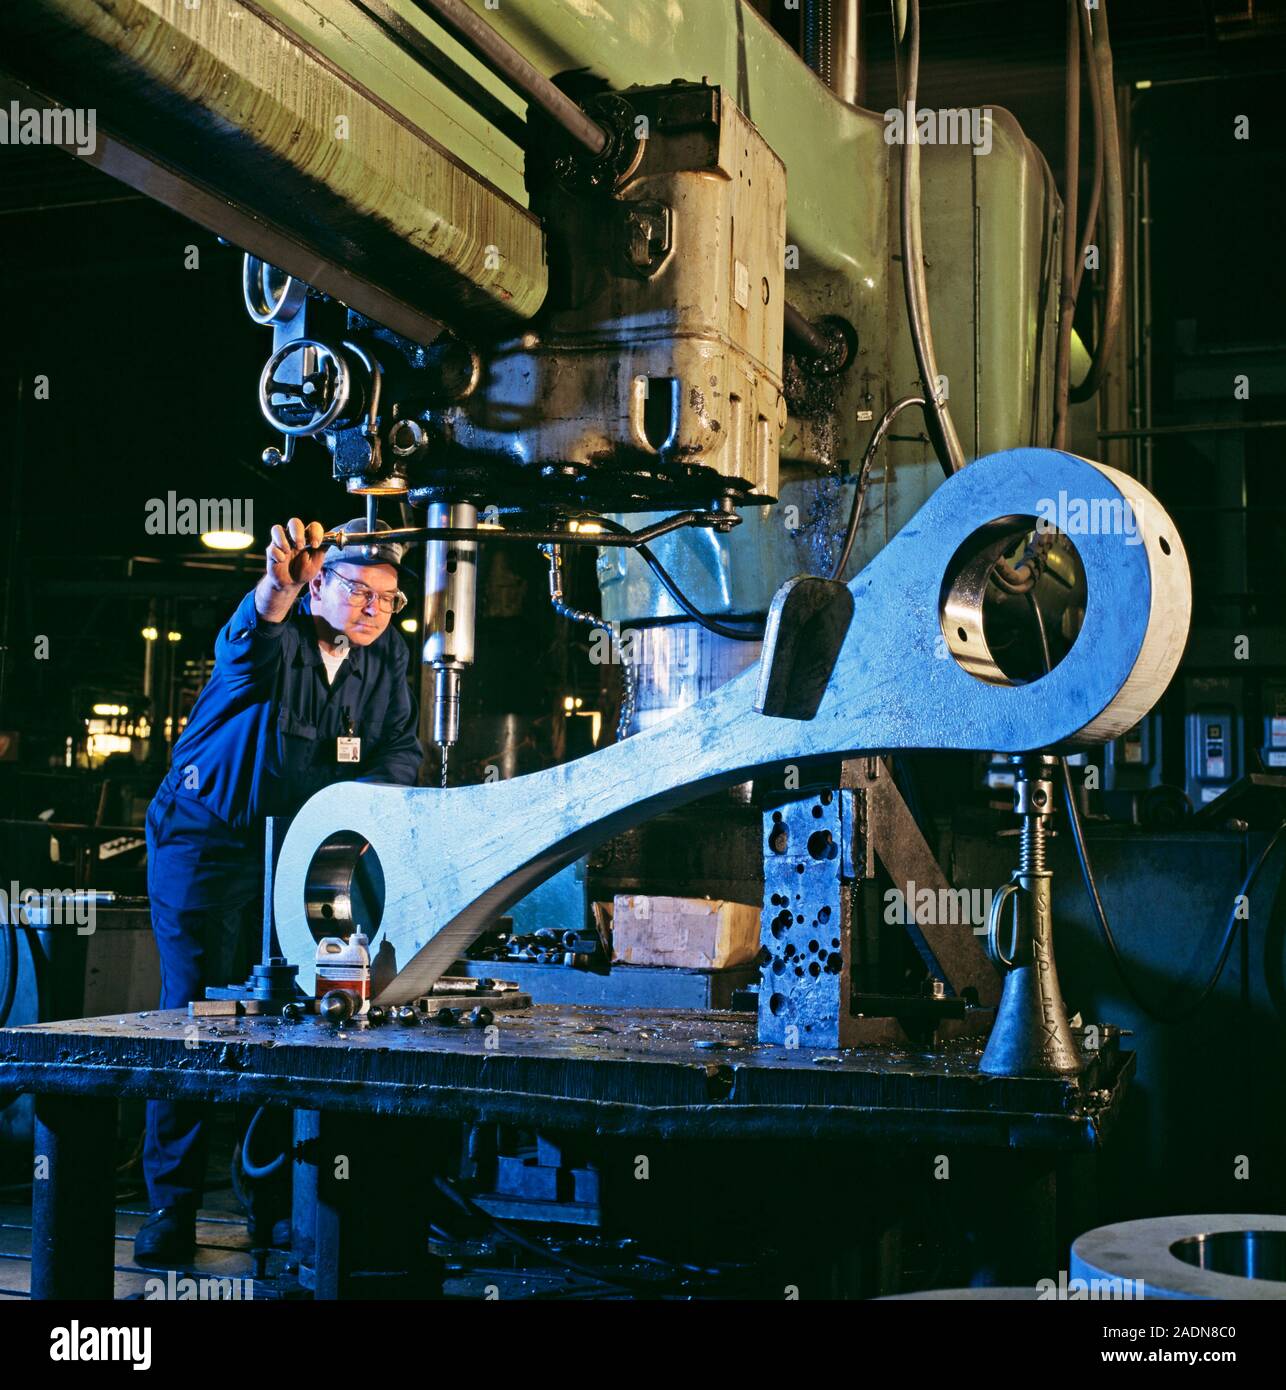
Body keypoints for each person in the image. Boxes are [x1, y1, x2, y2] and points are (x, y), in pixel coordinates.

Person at [134, 517, 423, 1266]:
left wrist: (348, 815)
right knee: (195, 1008)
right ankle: (172, 1207)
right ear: (318, 584)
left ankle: (271, 1206)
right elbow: (249, 639)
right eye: (357, 590)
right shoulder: (276, 630)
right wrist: (274, 585)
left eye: (387, 599)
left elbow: (401, 749)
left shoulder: (387, 656)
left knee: (298, 1007)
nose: (371, 609)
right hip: (208, 835)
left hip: (301, 849)